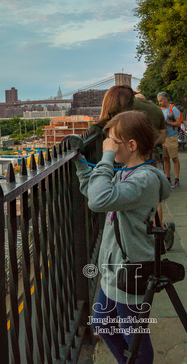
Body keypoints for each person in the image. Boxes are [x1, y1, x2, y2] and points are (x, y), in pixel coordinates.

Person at [79, 110, 170, 363]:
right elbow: (94, 190)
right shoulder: (127, 173)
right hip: (114, 269)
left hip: (131, 271)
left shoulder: (144, 181)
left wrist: (106, 156)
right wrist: (80, 164)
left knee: (135, 337)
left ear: (131, 145)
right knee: (103, 323)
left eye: (113, 141)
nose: (108, 144)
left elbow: (99, 200)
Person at [158, 92, 182, 189]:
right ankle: (168, 179)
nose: (159, 103)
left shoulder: (173, 109)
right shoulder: (160, 110)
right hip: (164, 137)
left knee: (174, 158)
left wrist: (166, 122)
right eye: (158, 101)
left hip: (172, 137)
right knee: (165, 159)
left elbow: (178, 123)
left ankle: (177, 179)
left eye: (161, 101)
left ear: (166, 100)